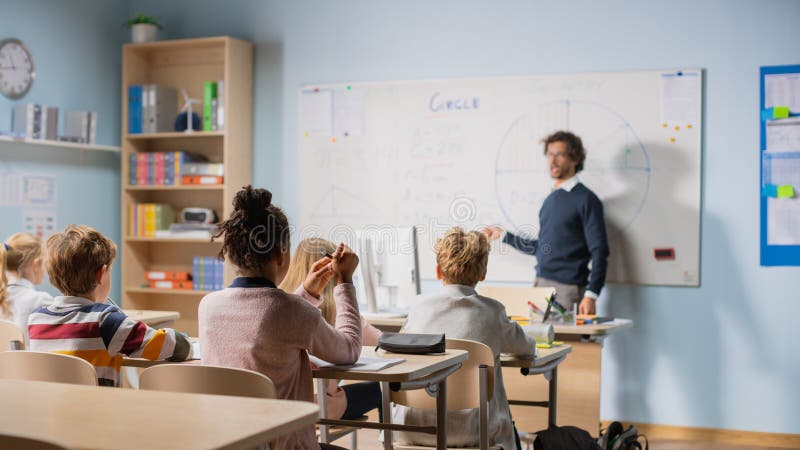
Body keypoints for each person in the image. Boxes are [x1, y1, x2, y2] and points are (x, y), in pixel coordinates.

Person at [198, 186, 362, 450]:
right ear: (280, 253)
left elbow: (269, 318)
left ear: (231, 253)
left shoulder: (208, 306)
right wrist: (345, 282)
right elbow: (350, 349)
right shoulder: (293, 311)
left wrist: (307, 292)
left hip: (229, 443)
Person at [393, 227, 535, 450]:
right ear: (483, 273)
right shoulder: (493, 312)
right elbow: (527, 348)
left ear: (438, 271)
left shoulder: (419, 308)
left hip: (414, 430)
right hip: (476, 434)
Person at [27, 225, 193, 386]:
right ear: (101, 274)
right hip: (99, 404)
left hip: (50, 403)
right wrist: (185, 340)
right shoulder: (106, 321)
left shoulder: (36, 318)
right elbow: (170, 347)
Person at [485, 130, 609, 315]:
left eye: (559, 154)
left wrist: (591, 294)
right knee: (536, 335)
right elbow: (543, 248)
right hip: (540, 284)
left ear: (575, 159)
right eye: (550, 154)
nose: (553, 160)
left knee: (565, 335)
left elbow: (600, 250)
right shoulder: (551, 199)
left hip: (568, 290)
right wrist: (504, 236)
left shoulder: (586, 199)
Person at [279, 237, 383, 421]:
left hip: (285, 410)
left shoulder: (278, 305)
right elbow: (381, 342)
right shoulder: (343, 312)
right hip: (323, 410)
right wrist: (346, 281)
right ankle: (390, 436)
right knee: (382, 389)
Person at [0, 233, 54, 345]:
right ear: (35, 265)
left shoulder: (2, 297)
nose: (45, 271)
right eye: (45, 264)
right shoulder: (41, 301)